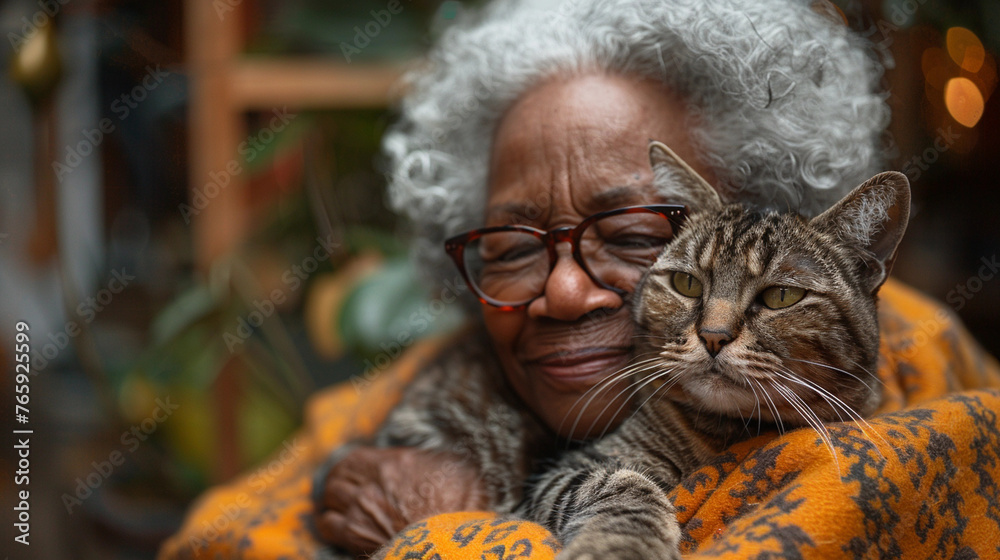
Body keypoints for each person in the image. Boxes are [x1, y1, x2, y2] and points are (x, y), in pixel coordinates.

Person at [158, 1, 1000, 559]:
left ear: (769, 203)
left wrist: (446, 537)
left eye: (632, 233)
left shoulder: (927, 415)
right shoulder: (410, 392)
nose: (562, 294)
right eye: (513, 245)